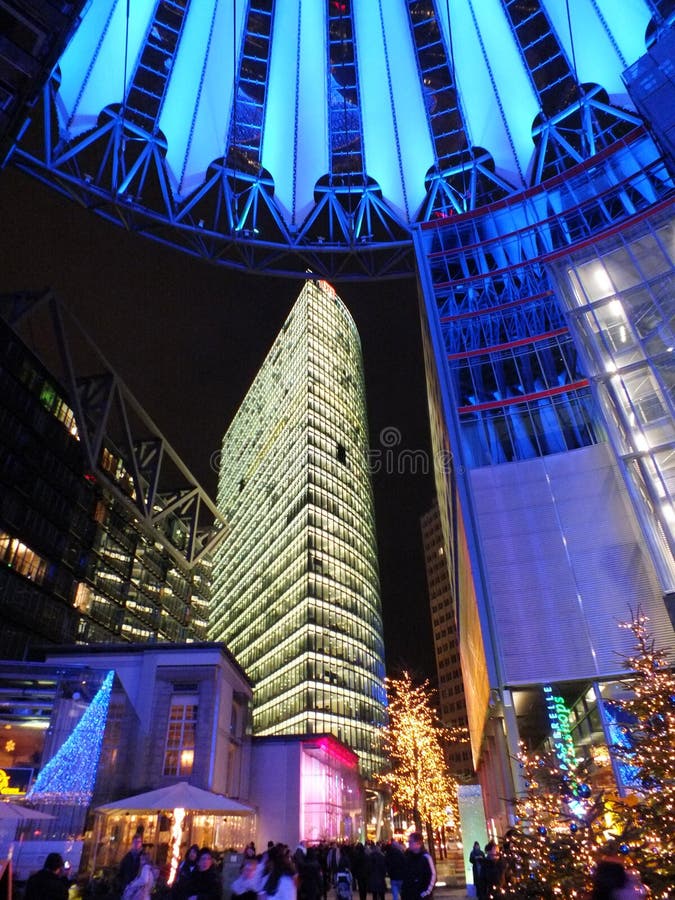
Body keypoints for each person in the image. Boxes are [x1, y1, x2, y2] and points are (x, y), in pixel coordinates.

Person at [401, 833, 435, 900]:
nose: (409, 844)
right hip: (408, 895)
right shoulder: (407, 856)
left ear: (418, 843)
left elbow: (432, 875)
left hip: (421, 896)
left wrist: (426, 892)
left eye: (410, 842)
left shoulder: (426, 857)